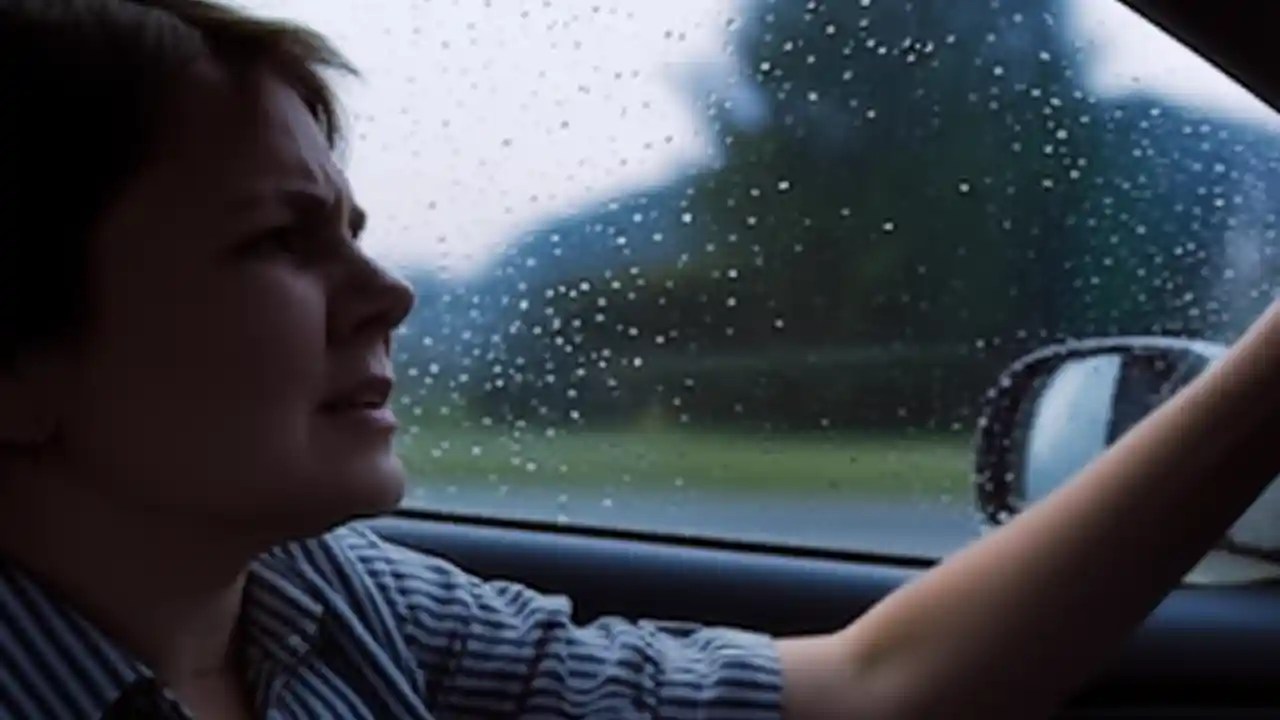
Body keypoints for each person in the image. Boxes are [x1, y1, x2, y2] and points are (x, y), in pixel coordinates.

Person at [0, 1, 1276, 718]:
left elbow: (865, 694)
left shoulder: (342, 603)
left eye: (353, 231)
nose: (386, 296)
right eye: (280, 240)